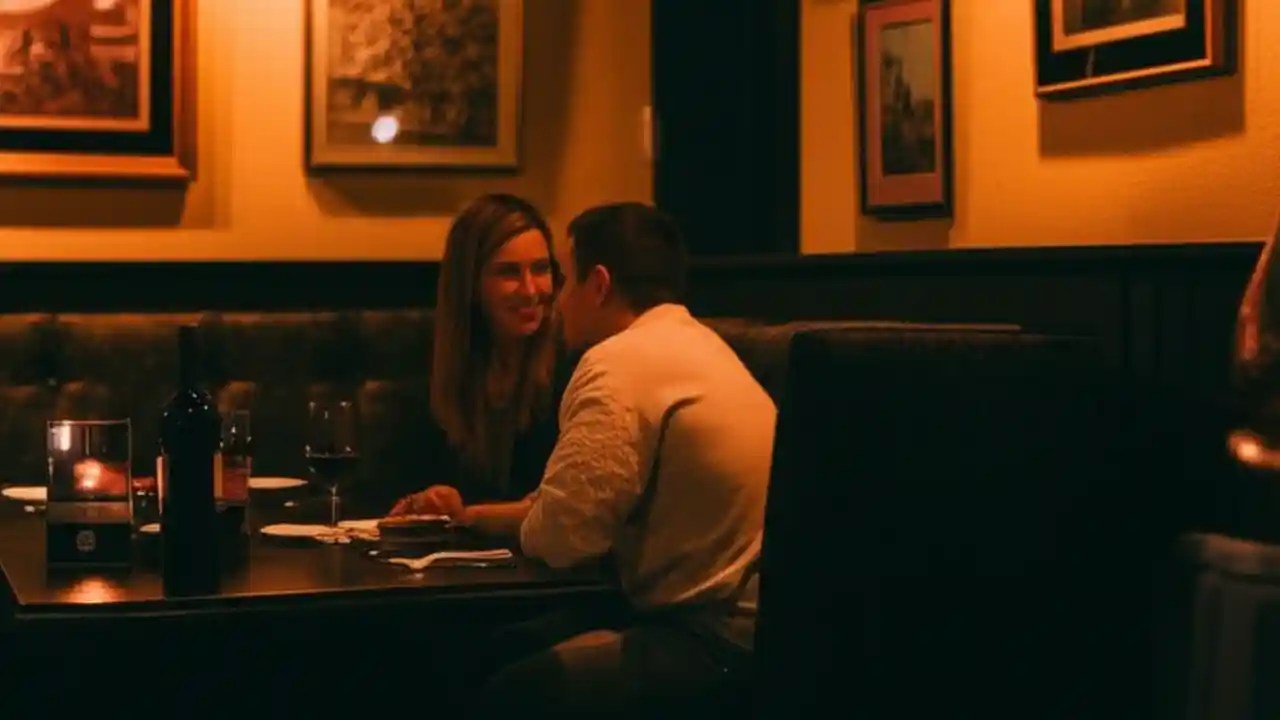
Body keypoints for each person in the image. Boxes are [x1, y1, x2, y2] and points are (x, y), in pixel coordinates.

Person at [453, 202, 778, 716]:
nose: (555, 301)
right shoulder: (703, 347)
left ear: (598, 284)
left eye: (564, 280)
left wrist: (531, 517)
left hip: (715, 638)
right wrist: (478, 517)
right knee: (497, 648)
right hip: (767, 628)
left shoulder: (616, 363)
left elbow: (563, 539)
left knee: (515, 691)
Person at [388, 193, 566, 515]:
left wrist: (468, 516)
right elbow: (389, 493)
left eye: (540, 269)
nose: (530, 290)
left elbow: (564, 511)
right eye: (509, 273)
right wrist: (425, 500)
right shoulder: (423, 365)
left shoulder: (574, 367)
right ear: (470, 284)